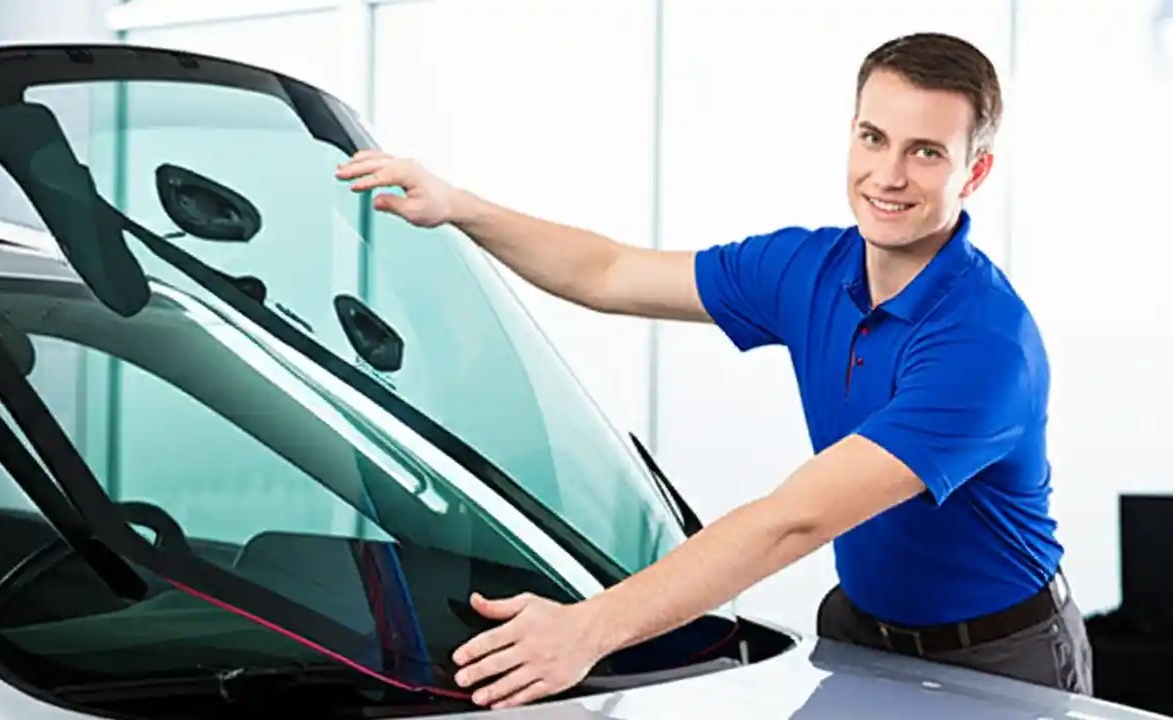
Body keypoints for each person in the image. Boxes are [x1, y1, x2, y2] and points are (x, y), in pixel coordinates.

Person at [335, 31, 1092, 710]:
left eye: (926, 152)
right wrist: (460, 206)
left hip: (1000, 655)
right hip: (861, 628)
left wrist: (588, 630)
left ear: (976, 170)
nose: (888, 175)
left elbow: (793, 520)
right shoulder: (811, 267)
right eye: (873, 138)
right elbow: (609, 272)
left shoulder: (985, 345)